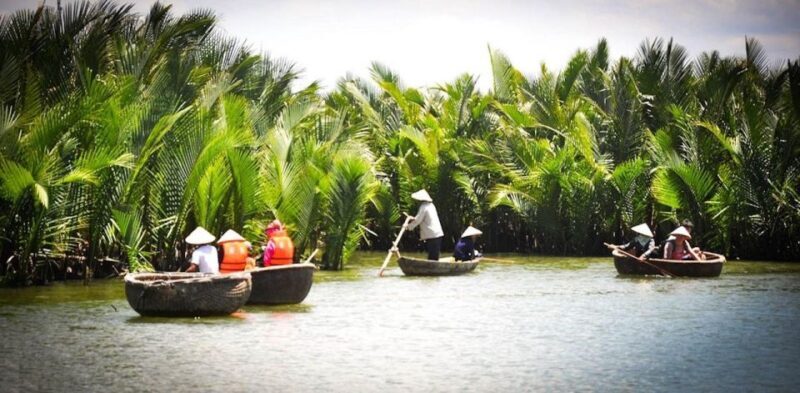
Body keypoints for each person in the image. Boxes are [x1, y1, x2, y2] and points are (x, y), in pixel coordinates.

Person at [406, 189, 444, 261]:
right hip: (436, 234)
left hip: (433, 235)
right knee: (433, 256)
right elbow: (421, 218)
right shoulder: (431, 205)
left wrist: (408, 227)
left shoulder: (424, 207)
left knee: (432, 257)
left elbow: (418, 220)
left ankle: (432, 271)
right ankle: (432, 270)